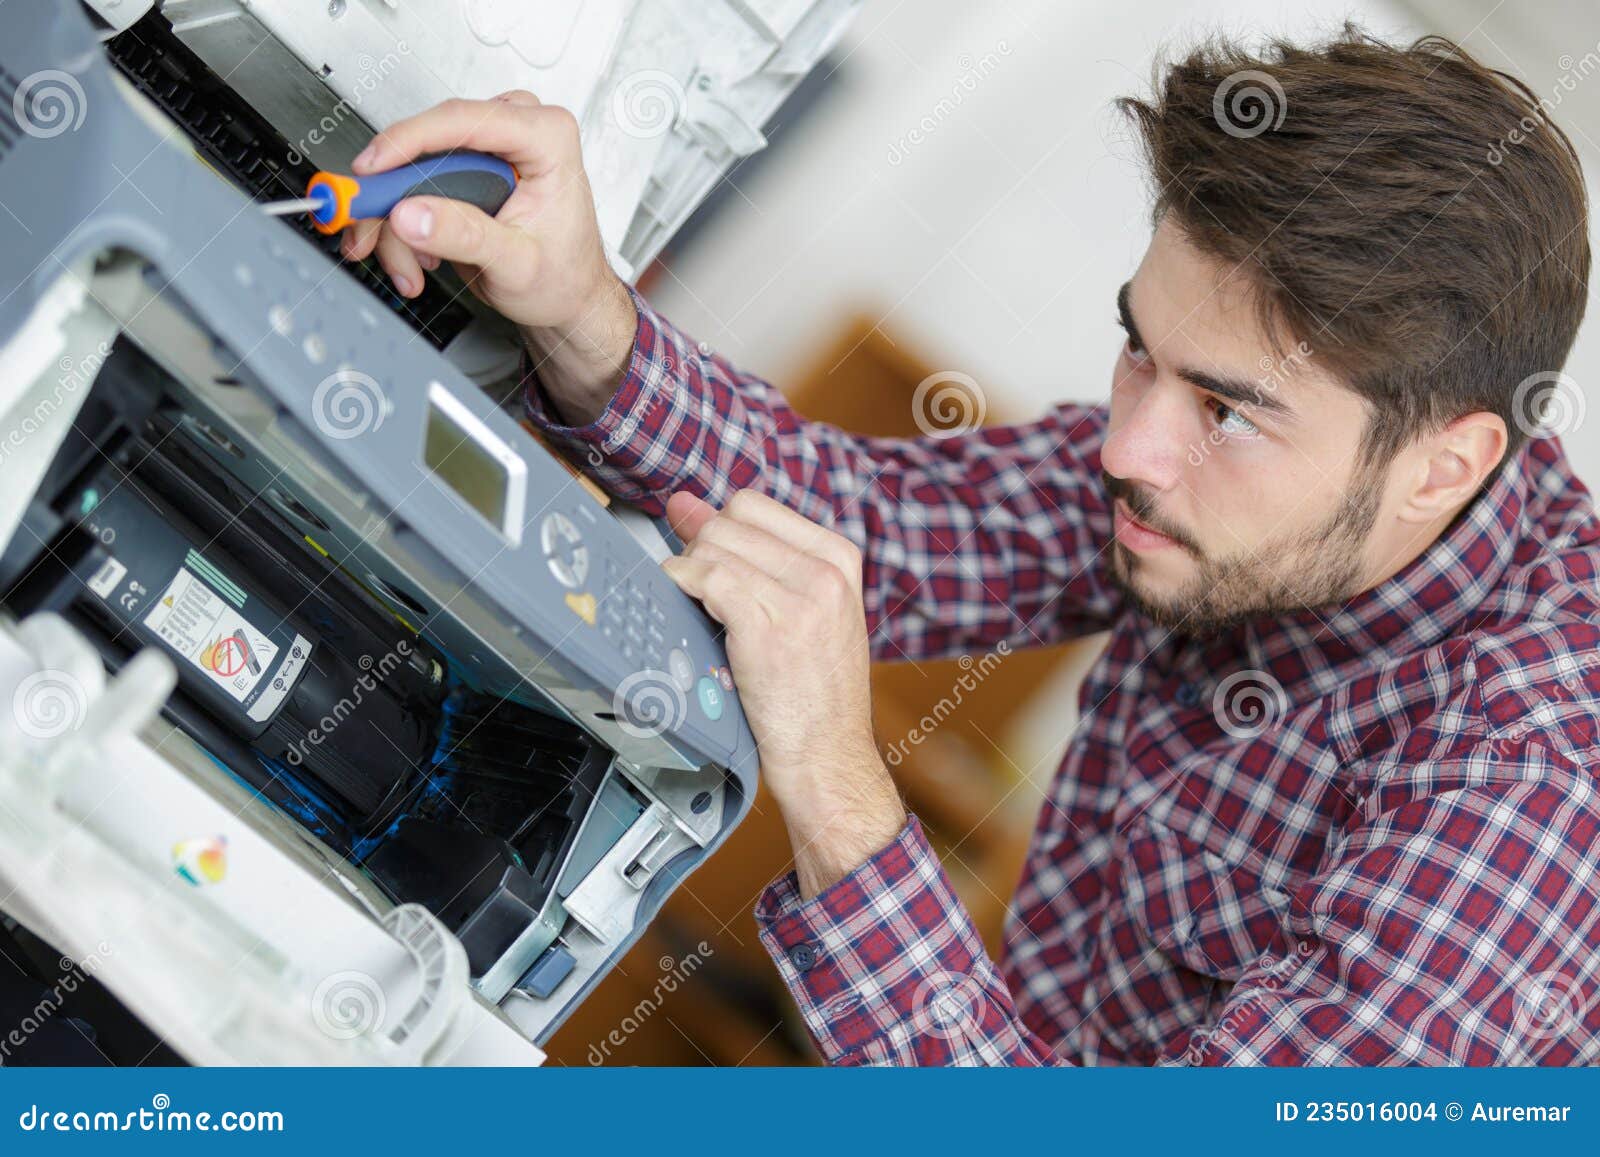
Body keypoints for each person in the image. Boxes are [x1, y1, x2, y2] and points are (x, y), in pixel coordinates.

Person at [342, 27, 1600, 1064]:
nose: (1127, 447)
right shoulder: (1232, 488)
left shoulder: (1528, 794)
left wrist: (836, 781)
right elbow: (878, 526)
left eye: (1223, 407)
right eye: (1134, 349)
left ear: (1449, 464)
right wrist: (583, 314)